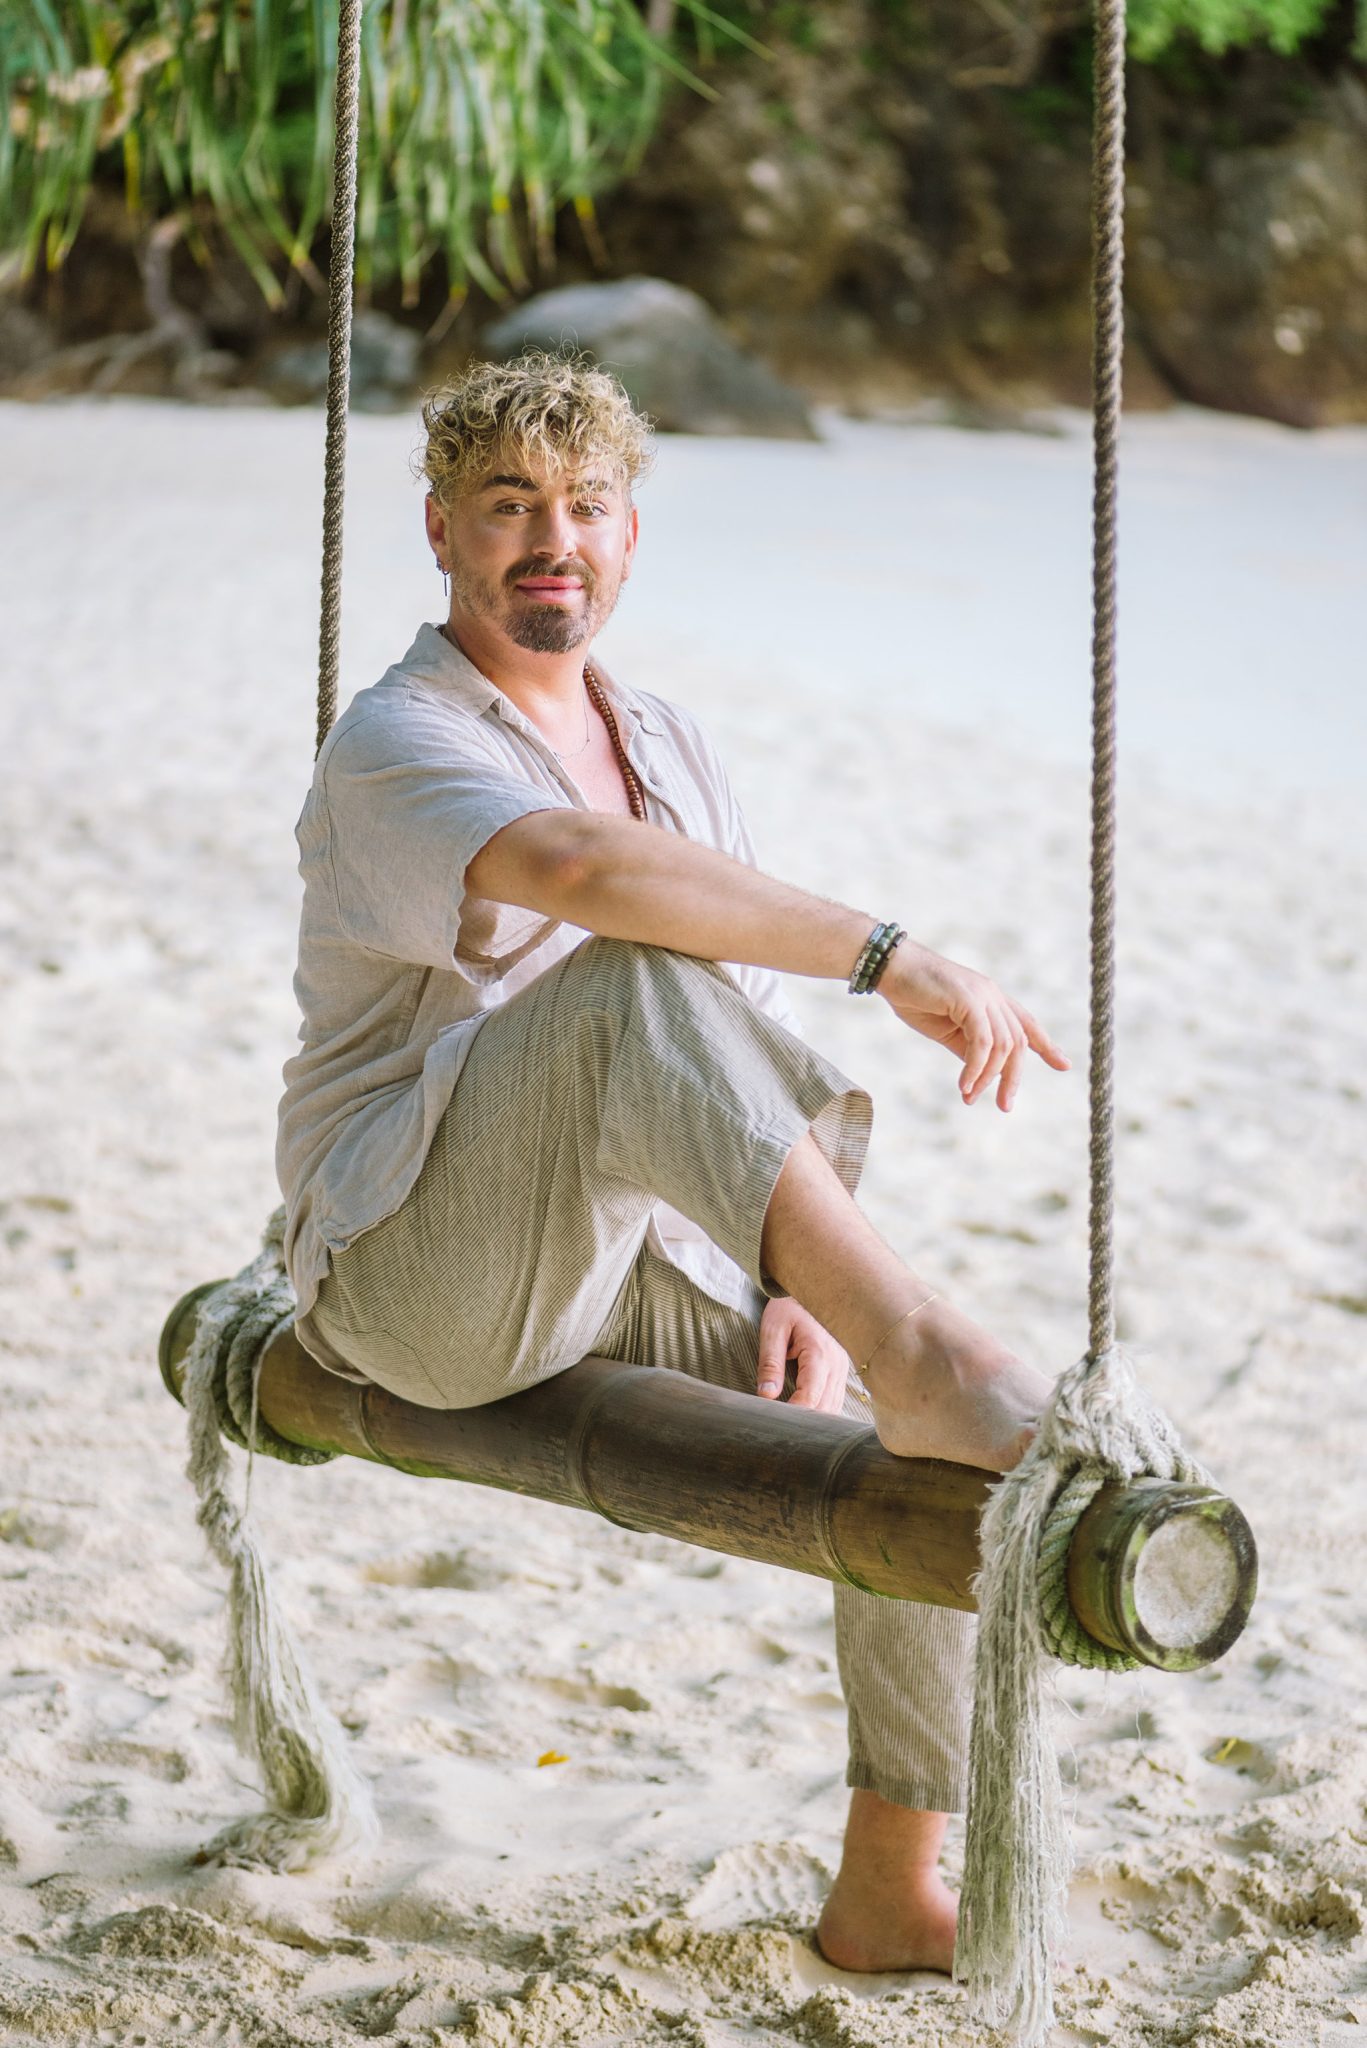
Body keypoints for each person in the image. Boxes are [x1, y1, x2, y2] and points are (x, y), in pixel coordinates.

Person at [276, 347, 1069, 1975]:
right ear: (441, 530)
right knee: (624, 962)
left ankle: (885, 1882)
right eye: (508, 506)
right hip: (413, 1274)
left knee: (928, 1449)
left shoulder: (674, 745)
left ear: (632, 535)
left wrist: (799, 1285)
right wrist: (895, 953)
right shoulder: (396, 736)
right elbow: (579, 873)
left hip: (622, 1261)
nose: (549, 537)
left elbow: (737, 1048)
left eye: (585, 505)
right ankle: (931, 1349)